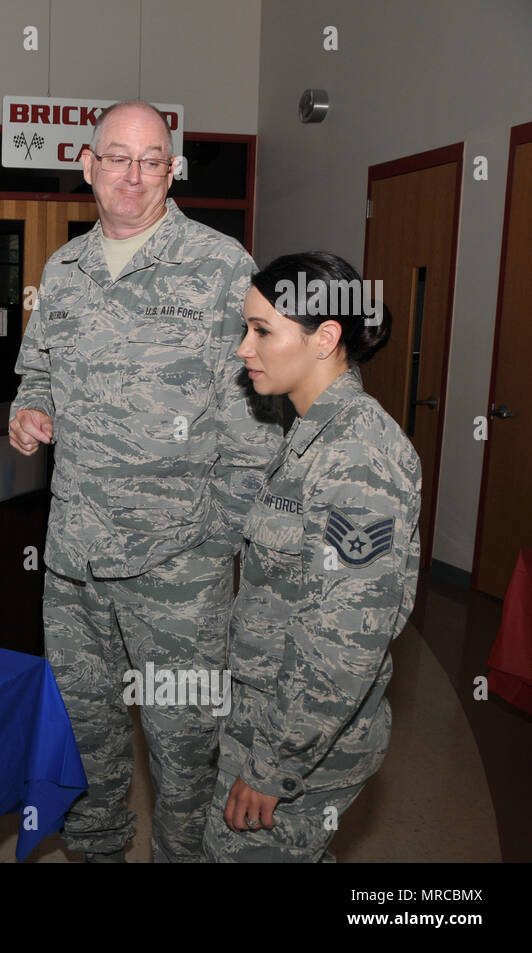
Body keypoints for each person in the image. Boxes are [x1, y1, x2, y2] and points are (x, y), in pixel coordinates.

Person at [9, 100, 281, 862]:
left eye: (150, 159)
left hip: (178, 576)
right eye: (117, 157)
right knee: (85, 744)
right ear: (87, 166)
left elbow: (256, 424)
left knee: (184, 758)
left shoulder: (224, 266)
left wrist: (211, 545)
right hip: (74, 567)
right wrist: (26, 414)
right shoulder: (62, 271)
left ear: (172, 169)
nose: (132, 174)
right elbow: (35, 374)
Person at [204, 251, 420, 861]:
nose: (244, 349)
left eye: (262, 331)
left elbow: (345, 640)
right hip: (269, 714)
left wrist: (273, 766)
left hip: (300, 742)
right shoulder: (307, 432)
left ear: (325, 337)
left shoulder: (358, 457)